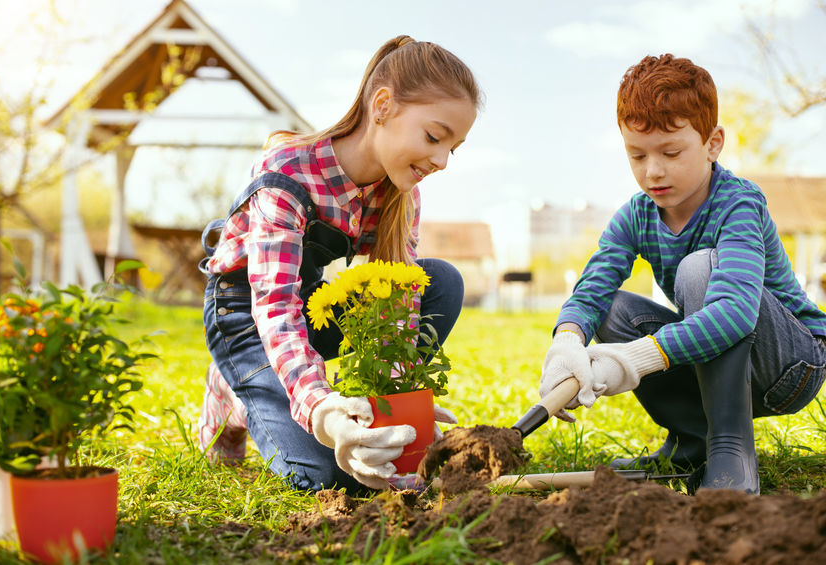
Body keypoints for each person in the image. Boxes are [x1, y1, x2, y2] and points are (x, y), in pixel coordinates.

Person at [196, 35, 481, 494]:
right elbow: (276, 311)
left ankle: (341, 410)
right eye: (434, 137)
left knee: (439, 282)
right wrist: (325, 413)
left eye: (455, 147)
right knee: (329, 476)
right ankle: (234, 386)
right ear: (383, 105)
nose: (443, 160)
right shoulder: (287, 174)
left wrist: (393, 411)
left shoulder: (402, 194)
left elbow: (399, 307)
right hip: (246, 318)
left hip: (308, 307)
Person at [538, 54, 826, 495]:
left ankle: (732, 450)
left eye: (671, 152)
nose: (653, 170)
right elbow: (593, 287)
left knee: (699, 270)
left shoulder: (739, 204)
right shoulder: (636, 216)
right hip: (718, 364)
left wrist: (633, 359)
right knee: (613, 309)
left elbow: (733, 314)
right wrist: (567, 339)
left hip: (789, 365)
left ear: (712, 144)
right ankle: (693, 439)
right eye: (637, 154)